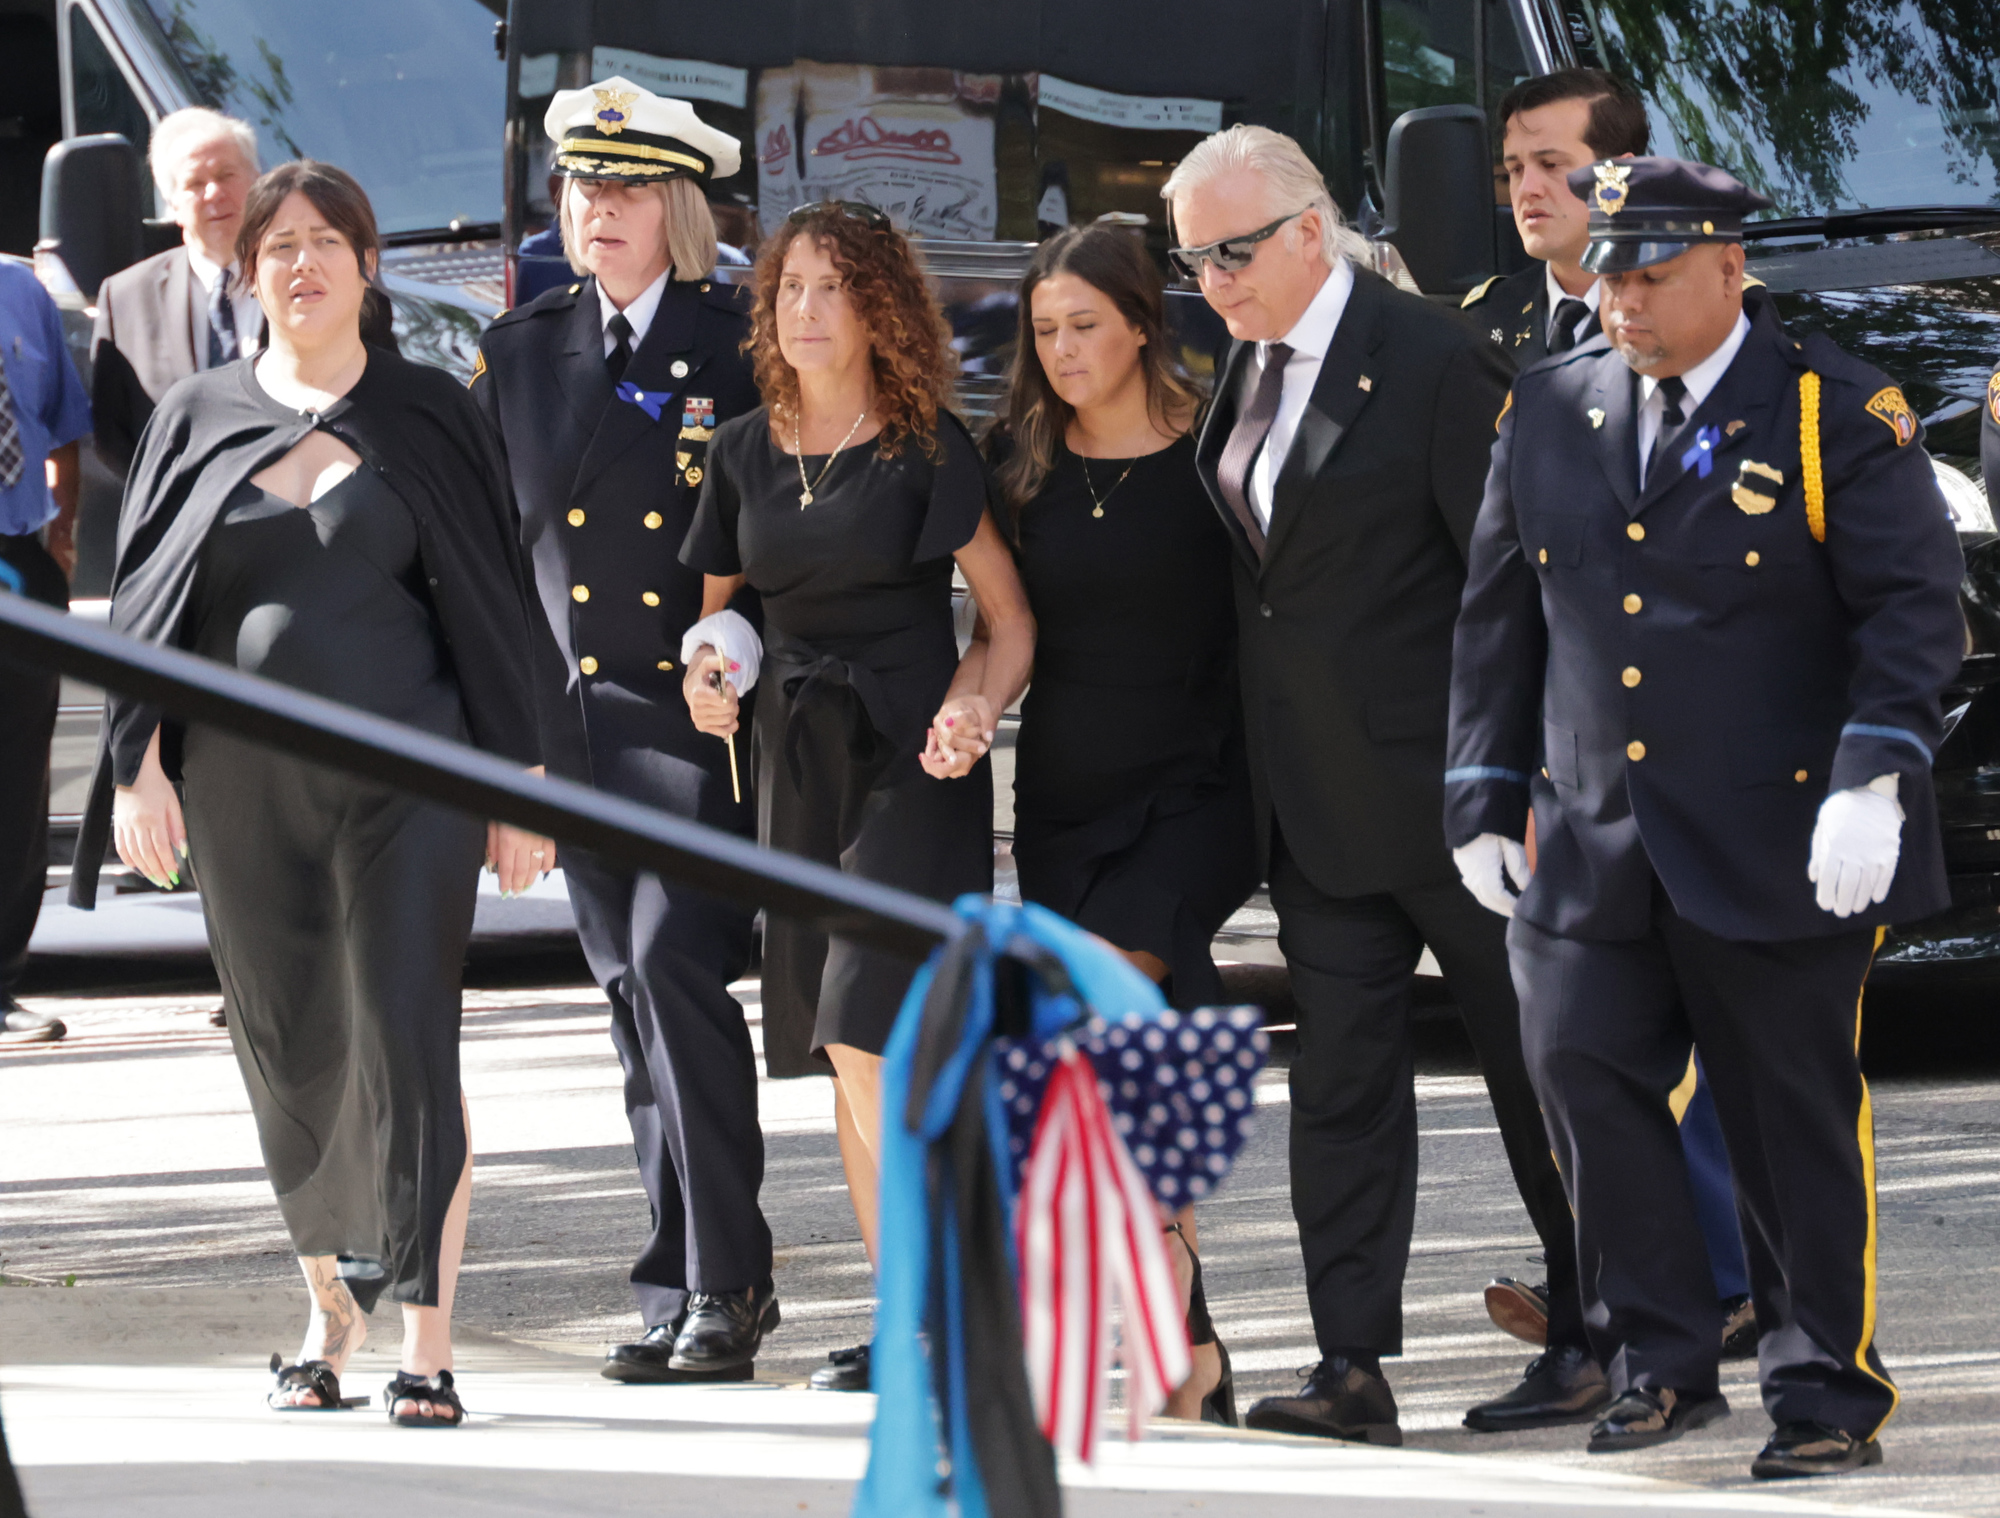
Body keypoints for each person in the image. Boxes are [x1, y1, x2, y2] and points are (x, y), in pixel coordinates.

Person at [1446, 157, 1964, 1478]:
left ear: (1732, 267)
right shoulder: (1552, 405)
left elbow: (1914, 607)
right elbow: (1502, 614)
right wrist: (1481, 787)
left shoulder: (1829, 407)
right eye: (1610, 274)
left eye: (1654, 274)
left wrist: (1876, 769)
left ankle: (1821, 1392)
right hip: (1591, 839)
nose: (1623, 300)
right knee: (1580, 1079)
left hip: (1779, 837)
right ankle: (1661, 1364)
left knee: (1786, 1122)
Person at [68, 160, 554, 1427]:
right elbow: (144, 607)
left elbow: (494, 603)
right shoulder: (195, 414)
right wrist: (137, 762)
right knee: (292, 1056)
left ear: (367, 264)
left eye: (327, 239)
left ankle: (428, 1346)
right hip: (240, 793)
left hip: (413, 781)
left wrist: (523, 783)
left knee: (407, 1042)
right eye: (278, 244)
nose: (302, 261)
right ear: (248, 273)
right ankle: (326, 1318)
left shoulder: (429, 413)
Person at [1163, 124, 1602, 1444]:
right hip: (1314, 808)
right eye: (1193, 263)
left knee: (1542, 1074)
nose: (1214, 282)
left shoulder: (1431, 356)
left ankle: (1605, 1333)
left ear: (1310, 231)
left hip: (1460, 799)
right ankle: (1352, 1363)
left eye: (1232, 253)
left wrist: (1528, 777)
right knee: (1342, 1095)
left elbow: (1520, 578)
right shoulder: (1239, 364)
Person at [681, 200, 1034, 1393]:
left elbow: (1008, 619)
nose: (807, 309)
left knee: (865, 1035)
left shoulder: (926, 444)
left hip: (912, 762)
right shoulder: (739, 450)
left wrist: (975, 707)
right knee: (850, 1057)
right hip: (792, 769)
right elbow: (719, 614)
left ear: (880, 310)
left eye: (834, 288)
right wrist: (706, 676)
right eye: (789, 289)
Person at [471, 80, 779, 1385]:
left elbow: (780, 538)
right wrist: (515, 756)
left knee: (671, 970)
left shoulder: (737, 341)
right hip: (576, 718)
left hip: (691, 717)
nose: (599, 208)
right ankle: (681, 1284)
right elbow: (499, 564)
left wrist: (740, 647)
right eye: (584, 185)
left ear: (681, 207)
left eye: (630, 187)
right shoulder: (524, 350)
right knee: (627, 1000)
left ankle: (728, 1278)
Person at [1468, 67, 1756, 1366]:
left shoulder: (1714, 325)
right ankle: (1622, 1290)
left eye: (1554, 164)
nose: (1529, 189)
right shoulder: (1481, 330)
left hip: (1713, 750)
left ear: (1622, 173)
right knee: (1575, 1042)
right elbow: (1479, 568)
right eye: (1512, 169)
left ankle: (1708, 1277)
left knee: (1723, 1043)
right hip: (1564, 750)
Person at [988, 222, 1256, 1423]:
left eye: (1083, 325)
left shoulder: (1217, 453)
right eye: (1043, 332)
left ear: (1143, 323)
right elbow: (995, 627)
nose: (1060, 350)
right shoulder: (1016, 466)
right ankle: (1184, 1340)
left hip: (1201, 789)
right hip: (1060, 798)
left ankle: (1174, 1312)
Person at [0, 257, 91, 1043]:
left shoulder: (19, 288)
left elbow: (64, 424)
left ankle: (0, 984)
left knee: (16, 777)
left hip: (15, 554)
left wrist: (60, 535)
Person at [90, 108, 265, 479]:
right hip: (183, 525)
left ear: (257, 181)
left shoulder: (315, 278)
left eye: (226, 175)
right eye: (194, 184)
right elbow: (112, 435)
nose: (214, 192)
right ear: (172, 205)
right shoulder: (125, 299)